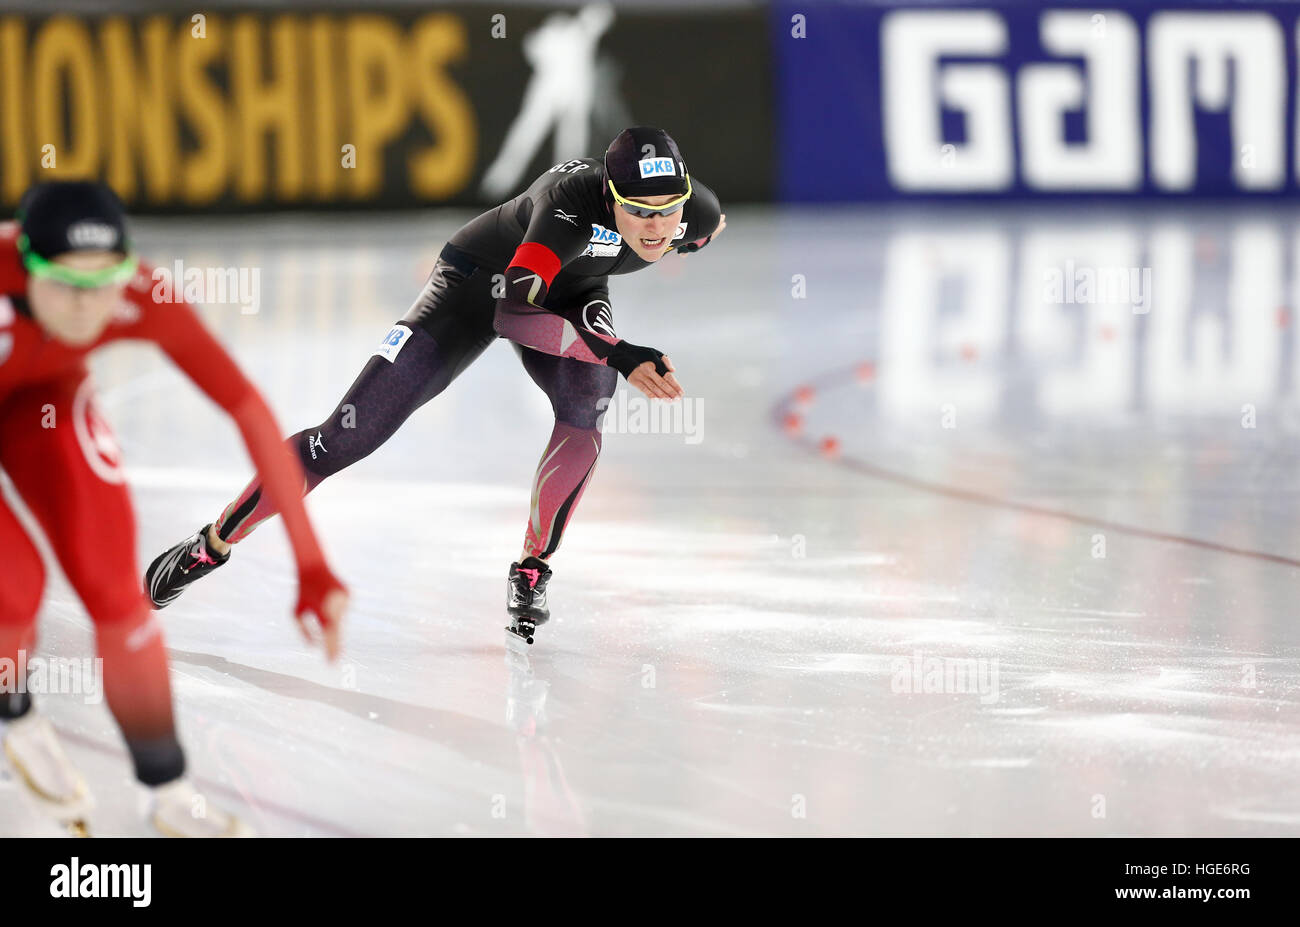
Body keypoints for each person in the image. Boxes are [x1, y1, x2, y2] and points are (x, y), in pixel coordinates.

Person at [146, 125, 725, 644]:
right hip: (479, 287)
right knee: (346, 438)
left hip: (572, 294)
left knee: (586, 406)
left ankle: (532, 567)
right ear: (610, 196)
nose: (656, 228)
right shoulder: (568, 206)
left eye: (669, 210)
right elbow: (518, 298)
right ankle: (211, 544)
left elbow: (705, 226)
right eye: (640, 212)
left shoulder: (695, 217)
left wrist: (609, 351)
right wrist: (621, 352)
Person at [0, 181, 347, 836]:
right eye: (68, 285)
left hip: (43, 393)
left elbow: (246, 406)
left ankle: (168, 788)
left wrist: (311, 560)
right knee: (15, 589)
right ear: (25, 268)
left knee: (116, 592)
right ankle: (13, 710)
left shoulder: (140, 295)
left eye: (105, 283)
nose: (88, 305)